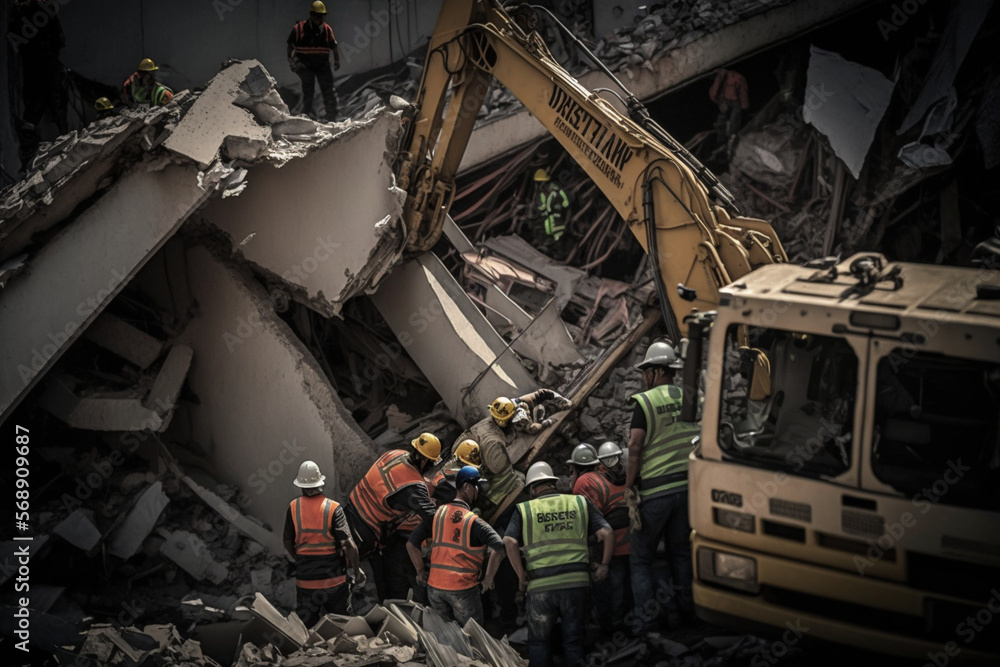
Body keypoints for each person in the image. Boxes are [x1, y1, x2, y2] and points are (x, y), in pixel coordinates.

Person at [504, 461, 613, 667]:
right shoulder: (579, 502)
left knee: (539, 642)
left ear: (532, 489)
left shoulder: (525, 509)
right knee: (573, 640)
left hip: (540, 586)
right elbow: (606, 532)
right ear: (553, 483)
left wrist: (521, 574)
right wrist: (604, 564)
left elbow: (509, 542)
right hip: (576, 584)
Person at [625, 340, 701, 635]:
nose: (644, 378)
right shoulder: (692, 397)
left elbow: (635, 447)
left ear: (657, 371)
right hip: (687, 488)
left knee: (641, 558)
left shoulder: (645, 402)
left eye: (646, 372)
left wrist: (629, 485)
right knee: (681, 552)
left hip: (656, 491)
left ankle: (647, 625)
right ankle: (688, 615)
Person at [345, 433, 440, 602]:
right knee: (345, 565)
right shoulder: (413, 487)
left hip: (350, 512)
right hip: (366, 533)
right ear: (425, 461)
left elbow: (395, 481)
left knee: (352, 558)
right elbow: (434, 519)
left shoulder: (395, 454)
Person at [407, 466, 505, 626]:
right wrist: (488, 579)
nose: (478, 492)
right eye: (476, 487)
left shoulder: (438, 514)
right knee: (471, 634)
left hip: (434, 588)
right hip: (462, 589)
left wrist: (420, 571)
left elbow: (411, 544)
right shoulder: (474, 522)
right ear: (466, 487)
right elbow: (499, 547)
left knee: (445, 633)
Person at [283, 460, 363, 627]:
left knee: (307, 630)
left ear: (301, 486)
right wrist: (356, 570)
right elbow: (348, 545)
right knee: (343, 627)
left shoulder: (294, 507)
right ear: (320, 483)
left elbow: (287, 541)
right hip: (333, 583)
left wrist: (299, 560)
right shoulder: (333, 508)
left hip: (306, 583)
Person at [576, 442, 632, 635]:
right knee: (621, 589)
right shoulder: (599, 482)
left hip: (618, 549)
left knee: (616, 589)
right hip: (625, 547)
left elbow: (596, 524)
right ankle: (619, 627)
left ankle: (614, 628)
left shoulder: (588, 482)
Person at [9, 0, 68, 171]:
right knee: (41, 102)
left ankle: (60, 135)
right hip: (37, 65)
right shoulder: (32, 11)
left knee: (47, 100)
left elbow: (57, 39)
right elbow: (57, 39)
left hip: (40, 64)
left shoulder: (35, 11)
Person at [287, 1, 341, 121]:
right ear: (311, 15)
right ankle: (307, 118)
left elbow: (334, 47)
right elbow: (290, 47)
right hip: (305, 64)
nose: (319, 18)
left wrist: (337, 61)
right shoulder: (299, 29)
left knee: (328, 91)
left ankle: (332, 117)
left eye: (321, 16)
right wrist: (291, 61)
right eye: (316, 15)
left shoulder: (327, 29)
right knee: (308, 92)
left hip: (322, 64)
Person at [531, 169, 572, 260]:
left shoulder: (555, 191)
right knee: (545, 233)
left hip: (556, 219)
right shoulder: (543, 193)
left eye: (540, 183)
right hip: (548, 220)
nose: (539, 185)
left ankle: (559, 254)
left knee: (558, 237)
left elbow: (566, 203)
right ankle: (545, 248)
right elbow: (541, 207)